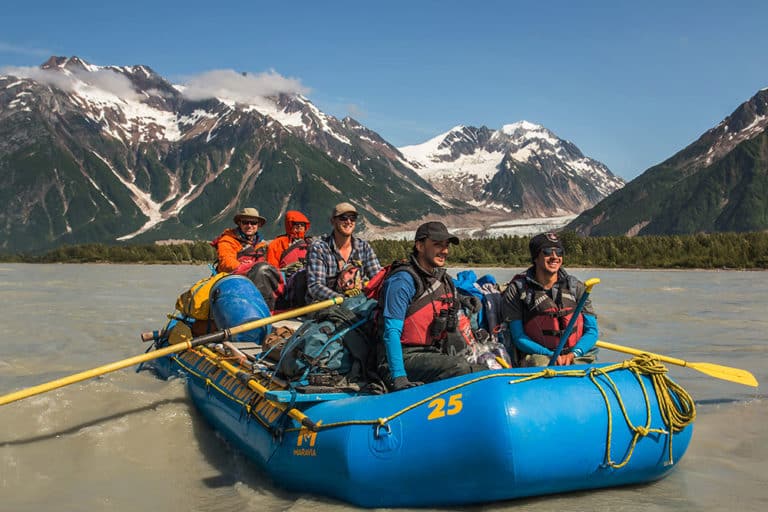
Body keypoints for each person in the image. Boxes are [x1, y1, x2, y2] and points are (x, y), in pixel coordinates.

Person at [377, 221, 479, 390]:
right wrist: (399, 377)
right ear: (420, 246)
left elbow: (435, 296)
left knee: (483, 369)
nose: (445, 251)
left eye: (446, 246)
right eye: (438, 245)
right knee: (459, 368)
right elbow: (391, 333)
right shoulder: (402, 281)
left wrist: (462, 299)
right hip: (401, 357)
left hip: (431, 352)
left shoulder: (440, 278)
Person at [501, 232, 599, 367]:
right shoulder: (516, 290)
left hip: (575, 354)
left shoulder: (576, 287)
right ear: (535, 257)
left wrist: (574, 353)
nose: (554, 257)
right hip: (539, 355)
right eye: (547, 252)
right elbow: (518, 337)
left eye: (559, 252)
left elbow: (592, 331)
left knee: (587, 366)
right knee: (539, 363)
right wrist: (548, 354)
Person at [305, 202, 381, 301]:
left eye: (352, 217)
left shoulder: (364, 247)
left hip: (356, 303)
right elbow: (315, 286)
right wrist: (342, 299)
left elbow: (377, 278)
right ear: (333, 221)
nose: (349, 221)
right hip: (324, 306)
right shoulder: (319, 249)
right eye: (343, 217)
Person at [211, 208, 268, 274]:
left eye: (253, 223)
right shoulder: (228, 240)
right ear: (239, 223)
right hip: (233, 279)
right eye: (245, 222)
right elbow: (226, 263)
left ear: (258, 225)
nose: (249, 226)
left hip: (256, 278)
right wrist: (247, 266)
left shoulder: (262, 244)